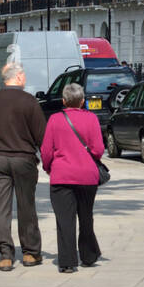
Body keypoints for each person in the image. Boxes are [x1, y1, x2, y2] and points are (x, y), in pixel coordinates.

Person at [0, 62, 47, 271]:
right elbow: (41, 136)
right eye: (24, 74)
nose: (25, 77)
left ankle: (5, 254)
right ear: (18, 77)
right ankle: (30, 252)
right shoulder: (30, 102)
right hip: (23, 159)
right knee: (26, 205)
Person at [40, 82, 104, 273]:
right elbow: (99, 150)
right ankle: (88, 255)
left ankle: (68, 262)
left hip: (62, 176)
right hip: (87, 176)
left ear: (64, 101)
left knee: (65, 220)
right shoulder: (92, 119)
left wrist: (48, 167)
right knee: (86, 217)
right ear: (83, 101)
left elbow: (46, 151)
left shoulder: (54, 120)